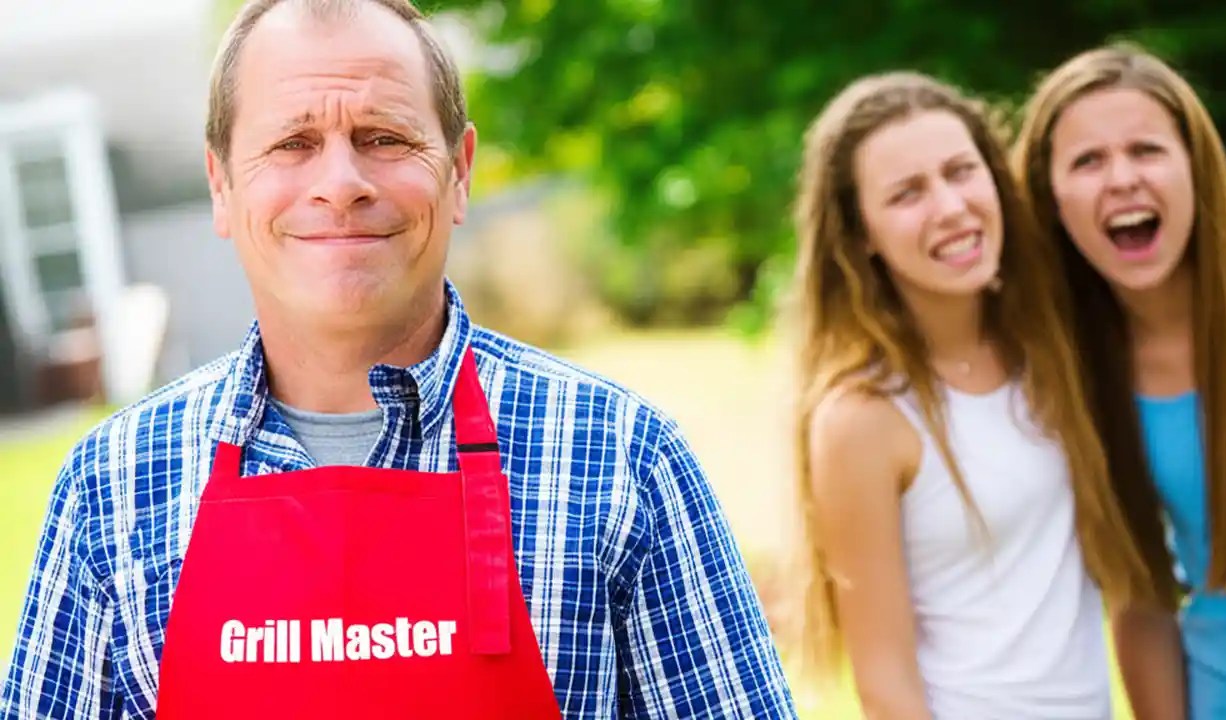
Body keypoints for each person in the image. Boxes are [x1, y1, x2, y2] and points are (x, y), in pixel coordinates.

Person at [0, 1, 798, 717]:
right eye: (292, 142)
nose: (341, 182)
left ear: (459, 171)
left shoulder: (620, 456)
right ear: (220, 184)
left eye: (384, 138)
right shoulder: (110, 489)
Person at [786, 71, 1158, 719]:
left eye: (961, 171)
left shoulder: (1050, 350)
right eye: (907, 193)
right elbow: (885, 681)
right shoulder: (862, 416)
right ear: (861, 235)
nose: (951, 207)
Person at [1013, 44, 1226, 719]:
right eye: (1088, 161)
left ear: (1196, 167)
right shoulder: (1070, 373)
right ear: (1052, 198)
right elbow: (1140, 598)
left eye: (1147, 150)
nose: (1122, 179)